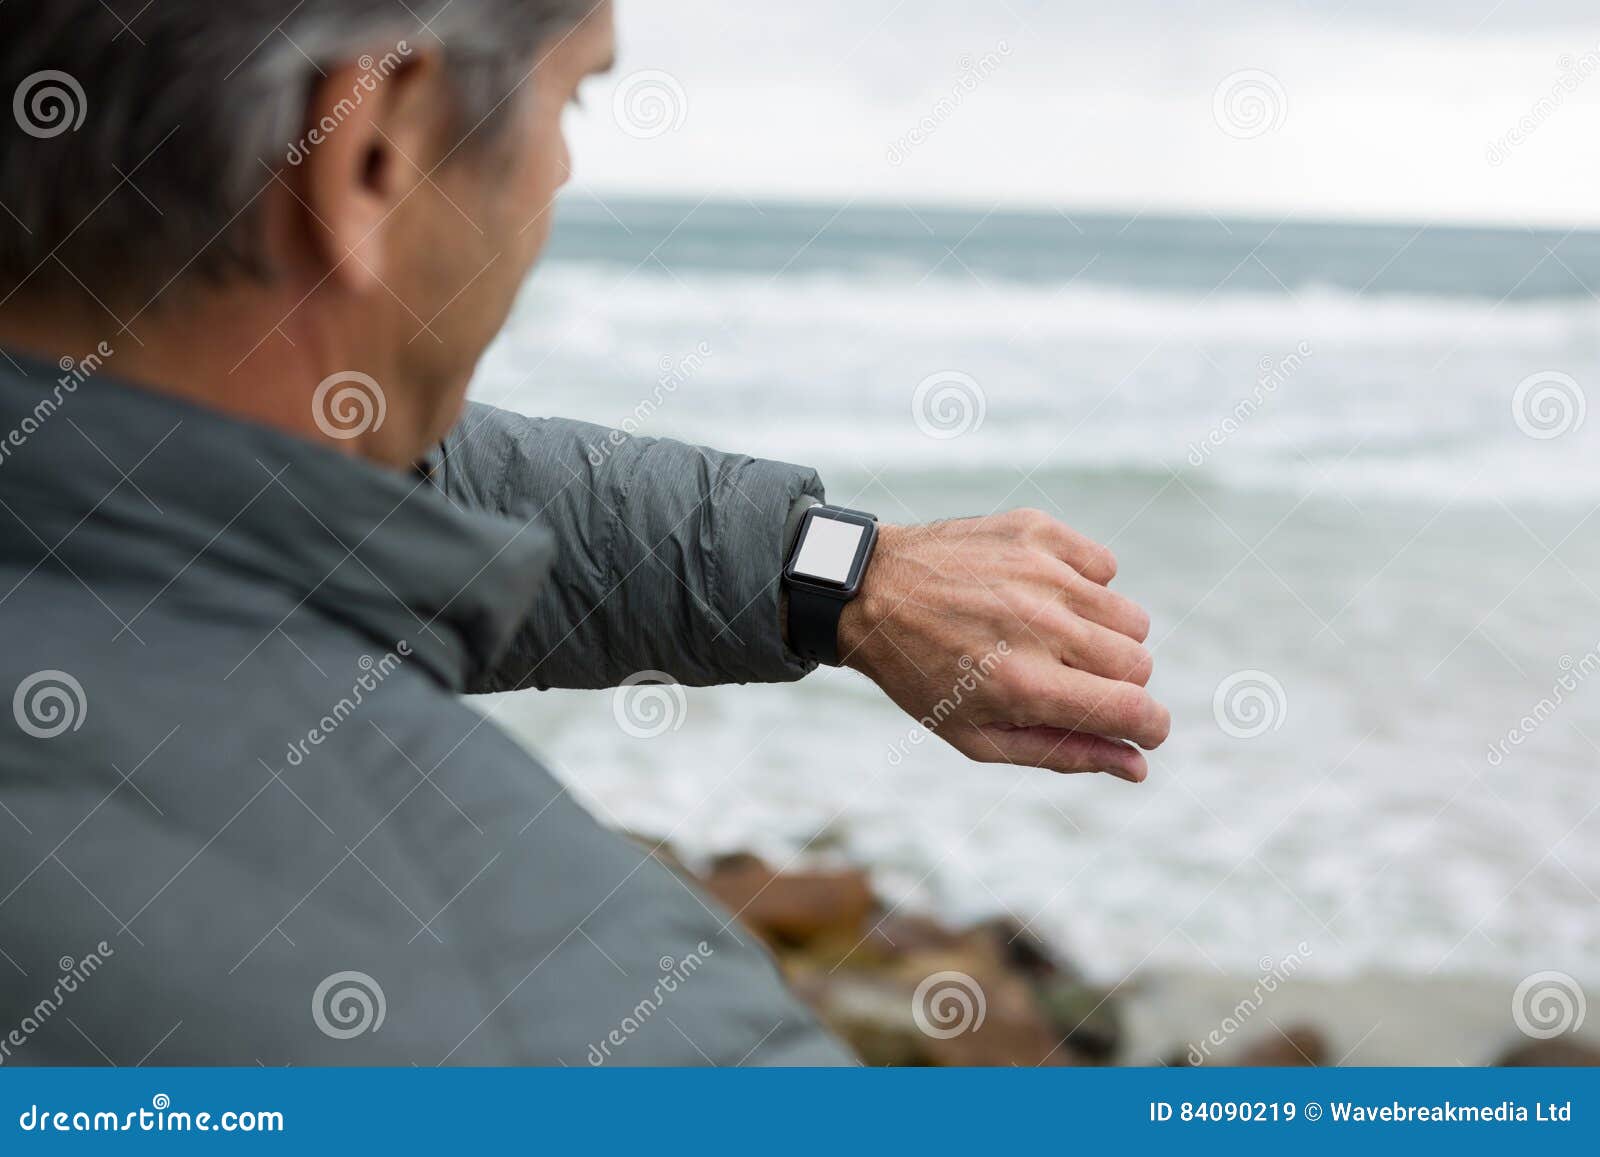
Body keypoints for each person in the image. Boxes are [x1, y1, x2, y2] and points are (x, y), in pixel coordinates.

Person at [0, 1, 1168, 1064]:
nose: (558, 168)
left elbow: (316, 485)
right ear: (371, 150)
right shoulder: (607, 1025)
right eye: (570, 100)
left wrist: (837, 575)